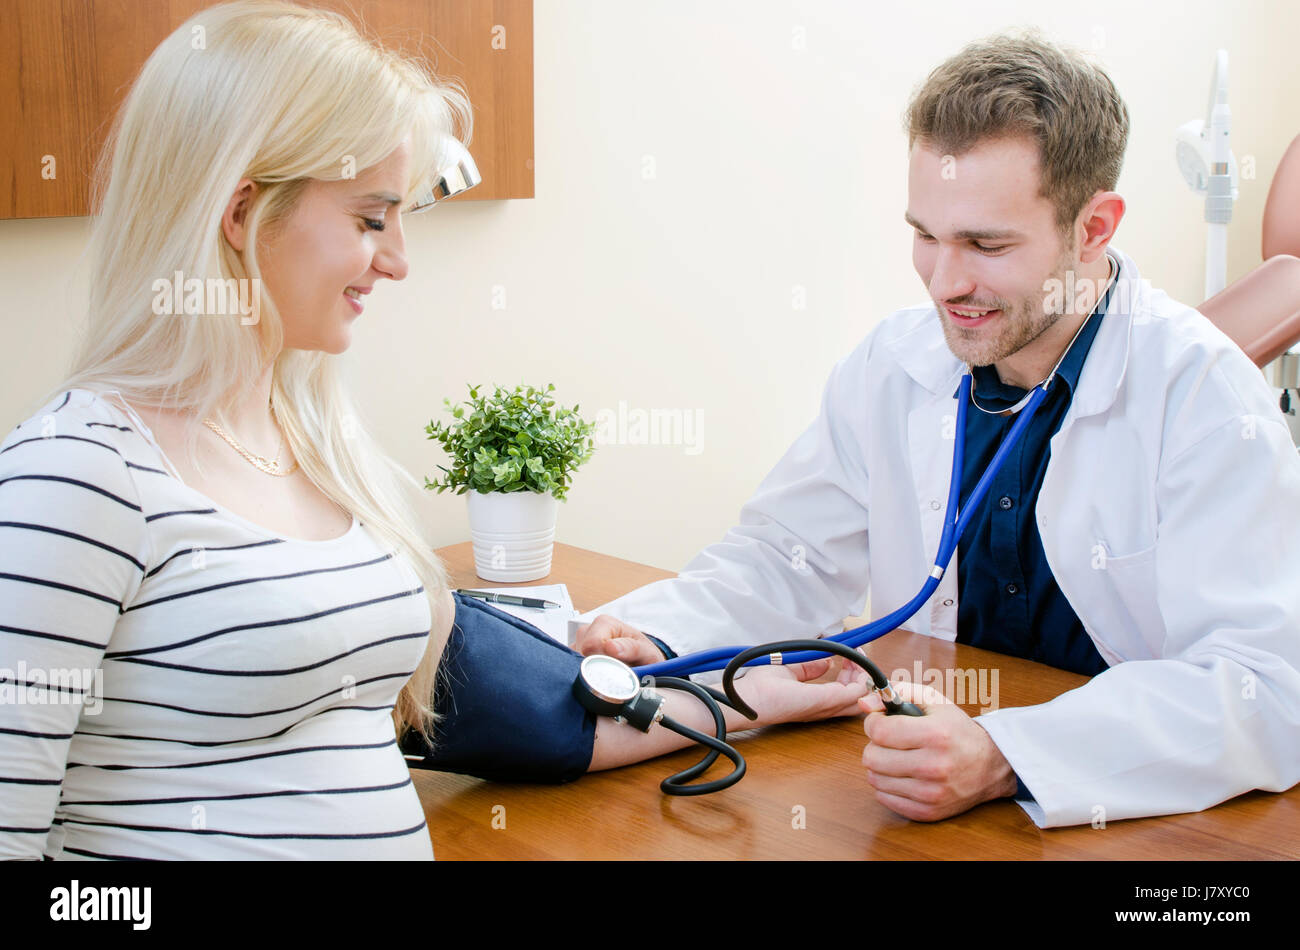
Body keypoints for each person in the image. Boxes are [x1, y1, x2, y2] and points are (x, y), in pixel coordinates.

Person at [0, 0, 872, 861]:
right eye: (371, 218)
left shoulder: (316, 451)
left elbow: (522, 707)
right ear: (242, 215)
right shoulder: (73, 481)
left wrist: (750, 693)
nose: (398, 258)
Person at [576, 31, 1300, 829]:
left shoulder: (1202, 396)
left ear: (1094, 228)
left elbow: (1262, 687)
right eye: (926, 235)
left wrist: (1005, 755)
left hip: (1133, 817)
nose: (946, 283)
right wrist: (653, 632)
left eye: (987, 244)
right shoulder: (896, 363)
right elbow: (786, 558)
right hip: (910, 790)